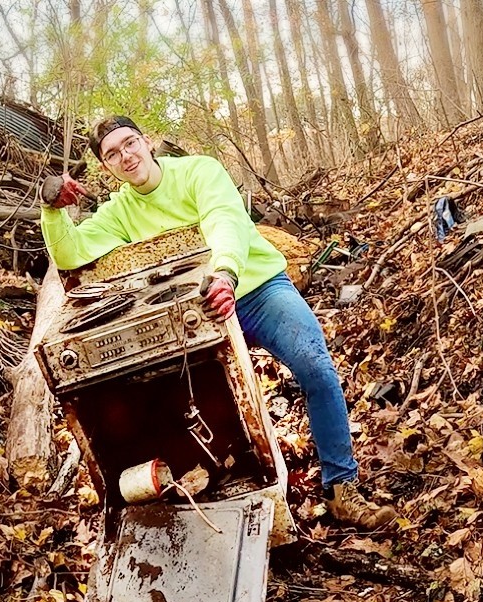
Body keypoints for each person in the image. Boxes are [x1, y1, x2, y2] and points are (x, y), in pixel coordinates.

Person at [39, 115, 396, 530]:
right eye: (113, 154)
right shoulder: (118, 212)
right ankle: (215, 503)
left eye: (130, 143)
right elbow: (71, 254)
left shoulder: (199, 171)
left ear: (147, 141)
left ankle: (341, 487)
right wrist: (52, 209)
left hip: (253, 289)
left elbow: (223, 219)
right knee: (187, 404)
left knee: (315, 368)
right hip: (191, 315)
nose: (126, 156)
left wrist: (225, 272)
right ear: (106, 168)